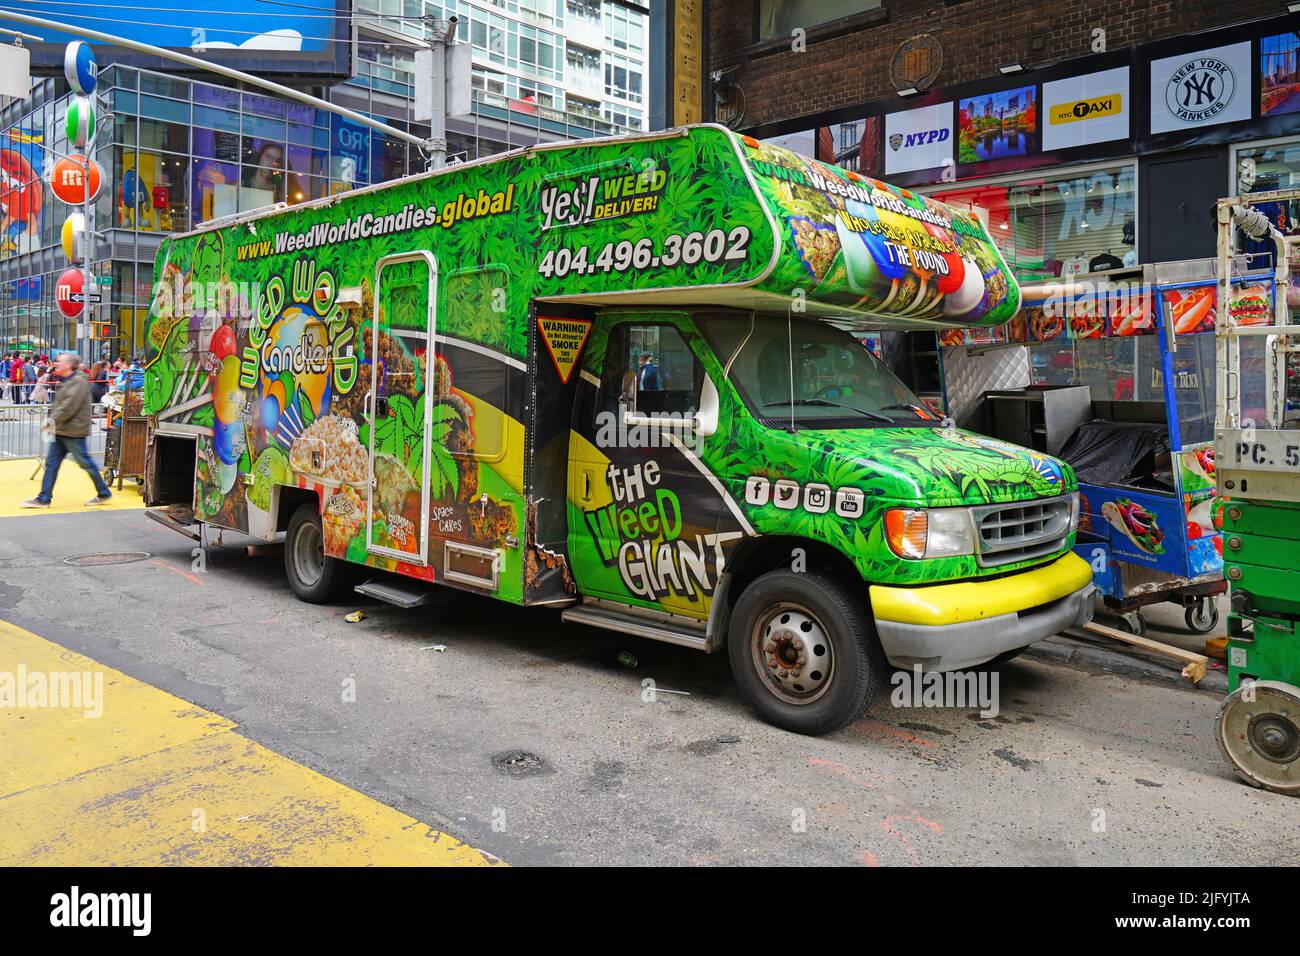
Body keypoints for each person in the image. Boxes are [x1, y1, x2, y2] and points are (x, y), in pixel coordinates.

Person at [21, 353, 113, 508]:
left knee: (85, 463)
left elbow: (68, 407)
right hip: (63, 430)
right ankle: (44, 498)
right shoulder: (69, 380)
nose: (56, 363)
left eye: (60, 361)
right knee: (52, 464)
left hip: (73, 431)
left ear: (68, 365)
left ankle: (104, 492)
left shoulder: (78, 382)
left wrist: (50, 422)